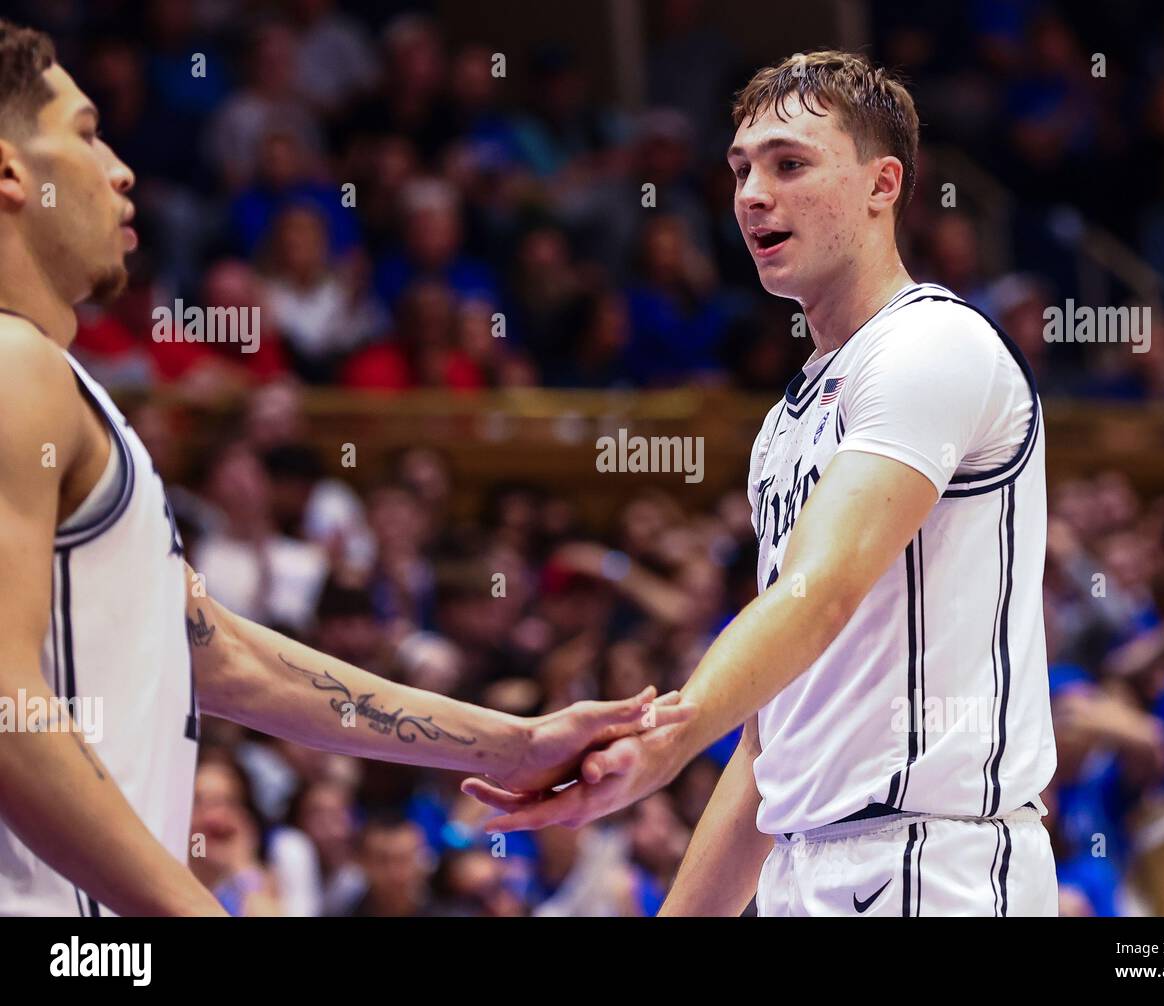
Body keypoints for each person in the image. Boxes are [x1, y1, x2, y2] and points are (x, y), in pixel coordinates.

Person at [0, 19, 686, 917]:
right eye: (87, 133)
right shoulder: (14, 367)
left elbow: (229, 656)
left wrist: (507, 745)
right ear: (10, 173)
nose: (121, 169)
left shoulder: (55, 383)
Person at [466, 50, 1058, 917]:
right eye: (741, 169)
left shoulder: (934, 345)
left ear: (881, 184)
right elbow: (768, 740)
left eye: (789, 163)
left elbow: (818, 592)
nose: (750, 193)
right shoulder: (787, 424)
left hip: (936, 862)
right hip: (801, 868)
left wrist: (667, 735)